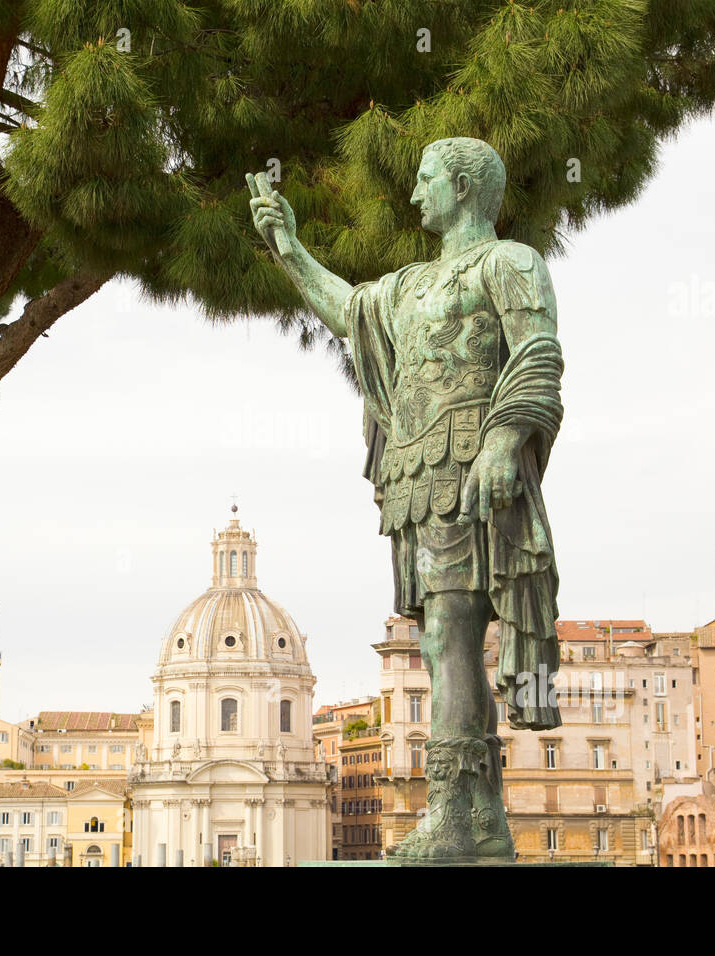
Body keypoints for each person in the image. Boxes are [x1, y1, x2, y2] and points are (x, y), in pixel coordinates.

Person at [247, 138, 564, 859]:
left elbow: (538, 351)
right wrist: (288, 247)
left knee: (450, 634)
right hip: (420, 476)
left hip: (477, 467)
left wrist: (504, 439)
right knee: (438, 637)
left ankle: (456, 812)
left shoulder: (510, 264)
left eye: (425, 181)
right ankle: (479, 818)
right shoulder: (410, 284)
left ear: (460, 185)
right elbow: (350, 313)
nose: (415, 194)